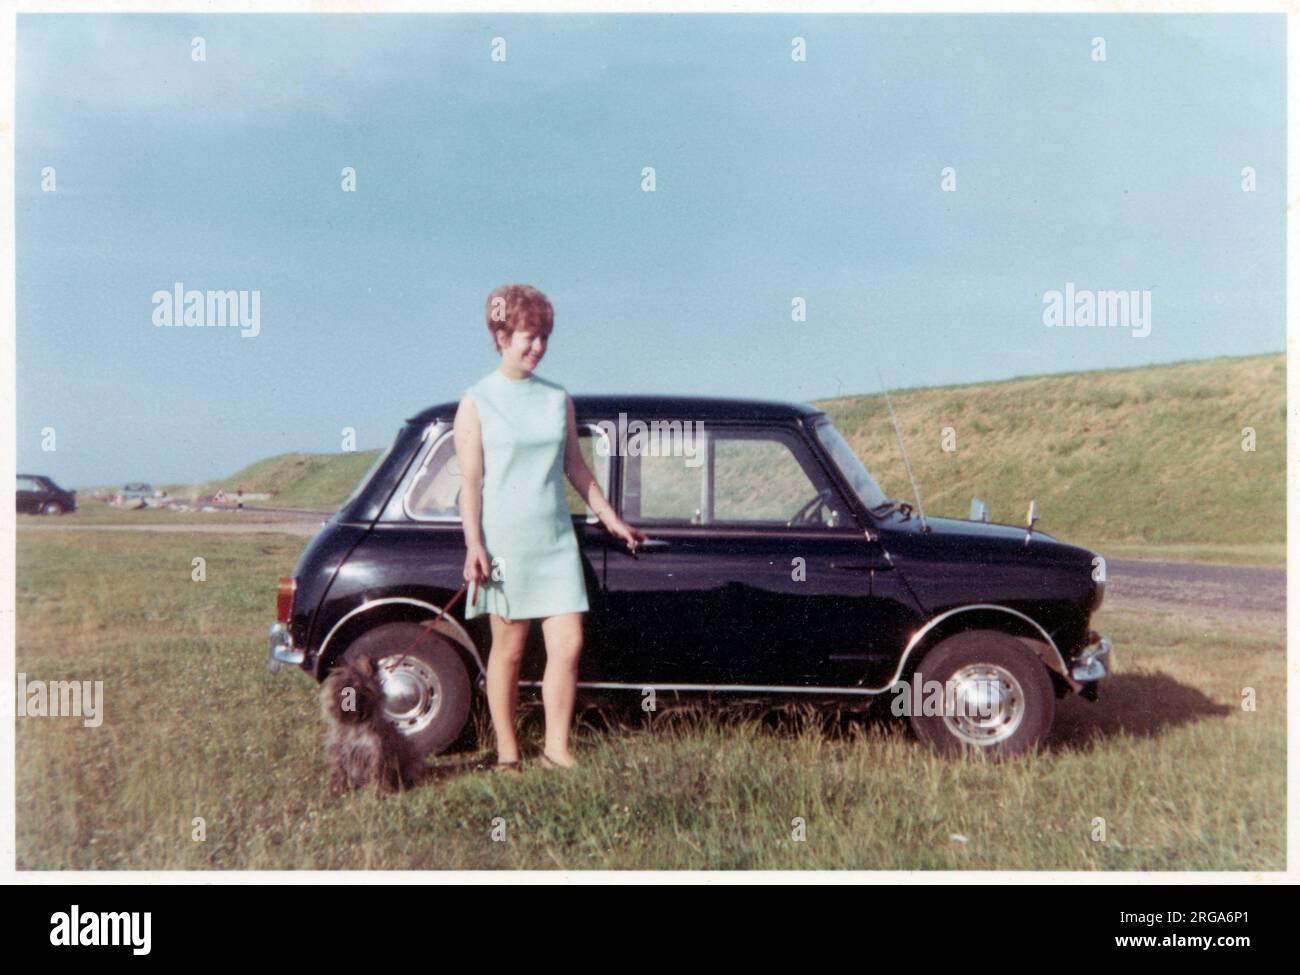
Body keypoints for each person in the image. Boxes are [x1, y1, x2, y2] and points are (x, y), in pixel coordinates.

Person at [454, 284, 644, 771]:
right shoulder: (476, 402)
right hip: (504, 546)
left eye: (543, 338)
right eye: (528, 337)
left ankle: (557, 751)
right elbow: (470, 484)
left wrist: (611, 517)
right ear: (500, 336)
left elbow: (576, 468)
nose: (537, 347)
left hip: (555, 543)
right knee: (511, 651)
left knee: (569, 645)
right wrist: (474, 545)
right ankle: (507, 753)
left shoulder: (558, 398)